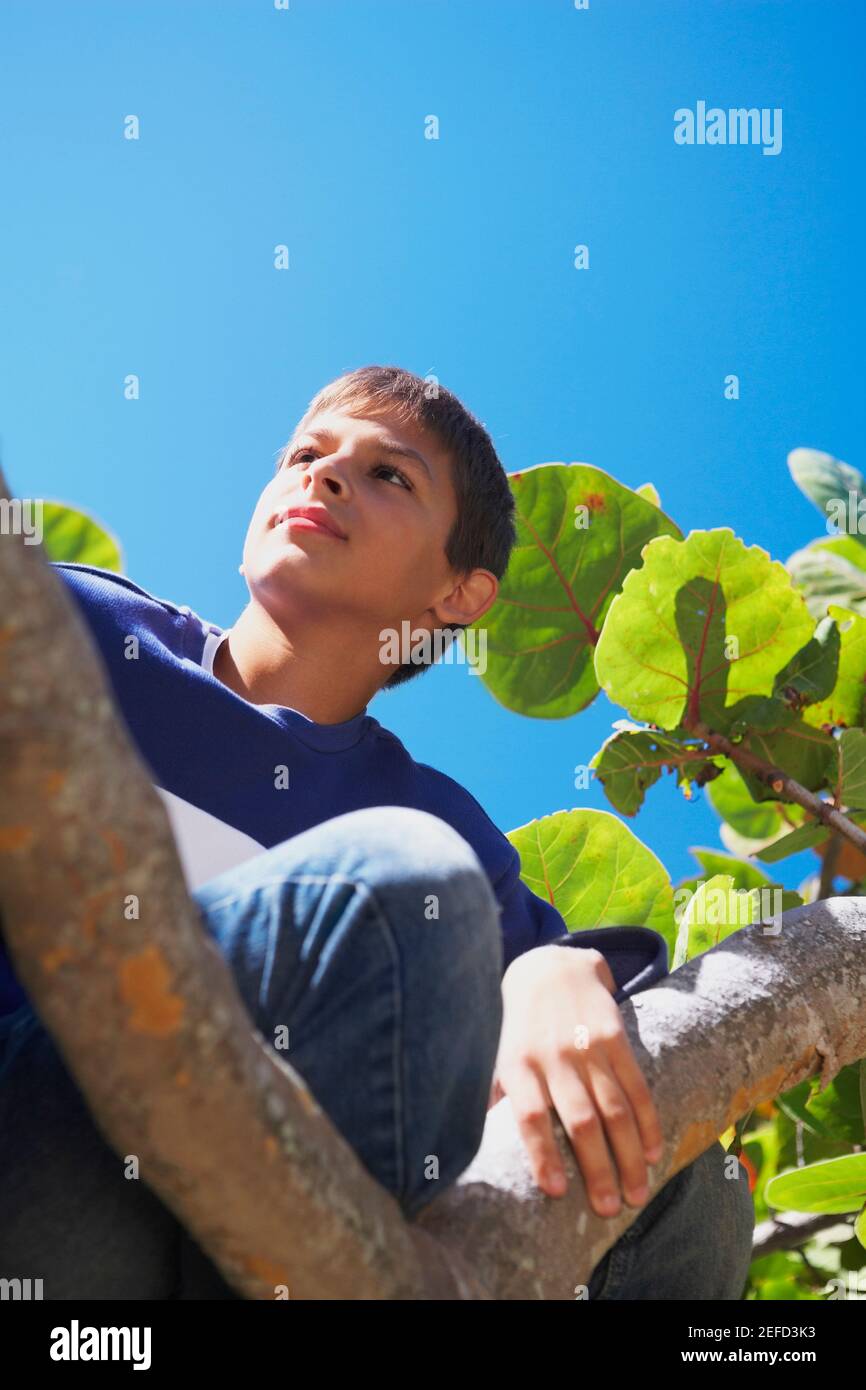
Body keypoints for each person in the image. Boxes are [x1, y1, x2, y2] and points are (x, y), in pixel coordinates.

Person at [0, 365, 753, 1299]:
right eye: (305, 455)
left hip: (271, 1252)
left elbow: (584, 1027)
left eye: (389, 475)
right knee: (407, 884)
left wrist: (556, 966)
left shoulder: (438, 819)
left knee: (686, 1183)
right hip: (44, 1164)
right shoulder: (83, 626)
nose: (322, 476)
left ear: (459, 596)